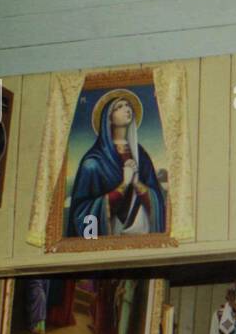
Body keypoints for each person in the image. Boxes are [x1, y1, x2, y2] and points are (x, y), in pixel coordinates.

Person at [67, 91, 166, 238]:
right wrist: (124, 185)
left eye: (128, 105)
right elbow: (81, 213)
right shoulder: (93, 162)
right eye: (119, 106)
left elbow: (156, 202)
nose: (127, 109)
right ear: (109, 117)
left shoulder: (141, 155)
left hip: (140, 231)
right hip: (109, 234)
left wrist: (136, 182)